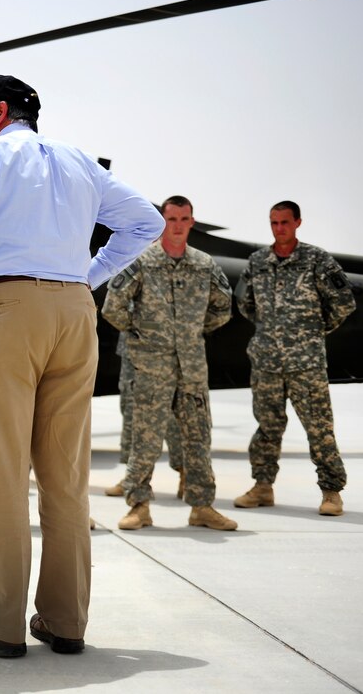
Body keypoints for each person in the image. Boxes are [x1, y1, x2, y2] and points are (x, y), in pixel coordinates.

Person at [0, 75, 164, 657]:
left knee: (4, 474)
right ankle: (64, 621)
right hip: (75, 312)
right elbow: (148, 223)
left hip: (6, 308)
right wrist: (87, 277)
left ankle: (1, 626)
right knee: (65, 478)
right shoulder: (80, 160)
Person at [101, 196, 237, 531]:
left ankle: (202, 506)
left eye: (183, 219)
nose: (177, 225)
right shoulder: (142, 263)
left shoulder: (204, 264)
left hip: (191, 367)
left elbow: (223, 307)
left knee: (198, 439)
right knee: (145, 439)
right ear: (163, 221)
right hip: (152, 367)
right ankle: (139, 505)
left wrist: (190, 333)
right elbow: (112, 307)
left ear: (192, 221)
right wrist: (142, 334)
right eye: (171, 219)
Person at [234, 200, 356, 516]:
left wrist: (313, 332)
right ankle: (262, 487)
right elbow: (245, 304)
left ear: (297, 223)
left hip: (307, 364)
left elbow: (343, 302)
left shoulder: (317, 260)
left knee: (319, 429)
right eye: (274, 223)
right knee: (267, 428)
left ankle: (331, 492)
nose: (279, 229)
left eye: (284, 223)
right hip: (267, 363)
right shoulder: (258, 261)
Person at [105, 335, 184, 498]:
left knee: (164, 410)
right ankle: (133, 477)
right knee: (129, 407)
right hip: (131, 345)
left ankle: (186, 472)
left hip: (161, 345)